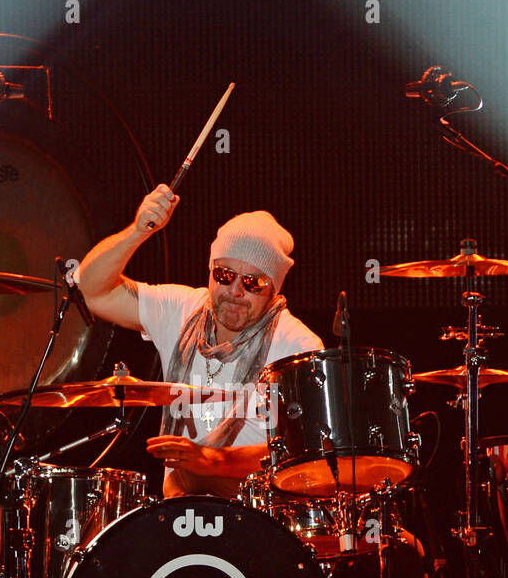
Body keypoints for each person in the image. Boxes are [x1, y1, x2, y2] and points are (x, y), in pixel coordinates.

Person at [73, 184, 323, 498]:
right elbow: (92, 290)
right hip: (182, 515)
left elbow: (312, 452)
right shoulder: (179, 309)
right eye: (223, 274)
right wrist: (137, 231)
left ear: (274, 288)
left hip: (259, 517)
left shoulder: (297, 346)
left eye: (252, 283)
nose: (234, 291)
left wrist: (215, 461)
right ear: (209, 271)